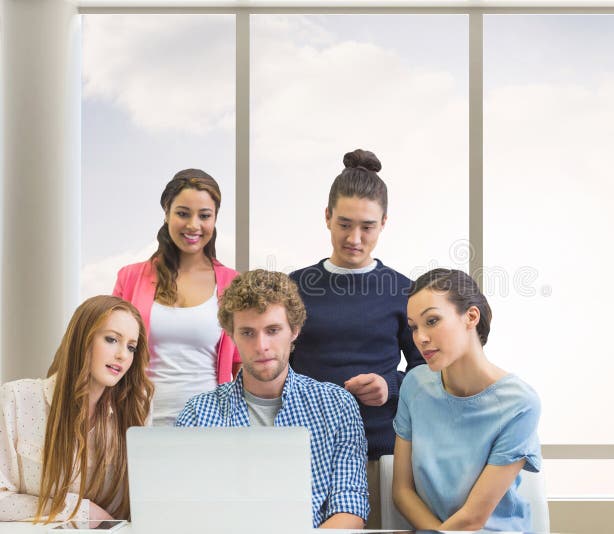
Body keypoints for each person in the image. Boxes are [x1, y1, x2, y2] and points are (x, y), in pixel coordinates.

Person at [289, 149, 423, 527]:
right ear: (326, 216)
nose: (354, 237)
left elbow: (427, 369)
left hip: (380, 452)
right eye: (344, 223)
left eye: (367, 226)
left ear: (384, 223)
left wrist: (389, 384)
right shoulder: (293, 287)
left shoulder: (402, 290)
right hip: (302, 451)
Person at [175, 269, 369, 529]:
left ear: (294, 331)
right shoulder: (198, 413)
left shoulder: (336, 405)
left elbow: (350, 504)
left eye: (273, 330)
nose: (261, 345)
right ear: (231, 336)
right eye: (247, 333)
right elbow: (183, 506)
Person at [393, 268, 542, 532]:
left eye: (432, 321)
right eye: (414, 327)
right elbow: (403, 491)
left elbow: (473, 518)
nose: (420, 338)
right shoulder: (415, 385)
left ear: (471, 316)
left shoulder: (519, 403)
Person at [0, 296, 153, 523]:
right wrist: (83, 511)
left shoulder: (137, 409)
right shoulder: (16, 398)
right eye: (111, 339)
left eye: (131, 347)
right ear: (82, 339)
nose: (123, 355)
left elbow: (145, 506)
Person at [113, 169, 239, 426]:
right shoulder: (130, 278)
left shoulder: (232, 283)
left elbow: (240, 364)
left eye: (204, 216)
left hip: (210, 425)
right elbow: (108, 348)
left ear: (214, 219)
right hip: (138, 422)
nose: (193, 225)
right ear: (167, 213)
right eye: (183, 213)